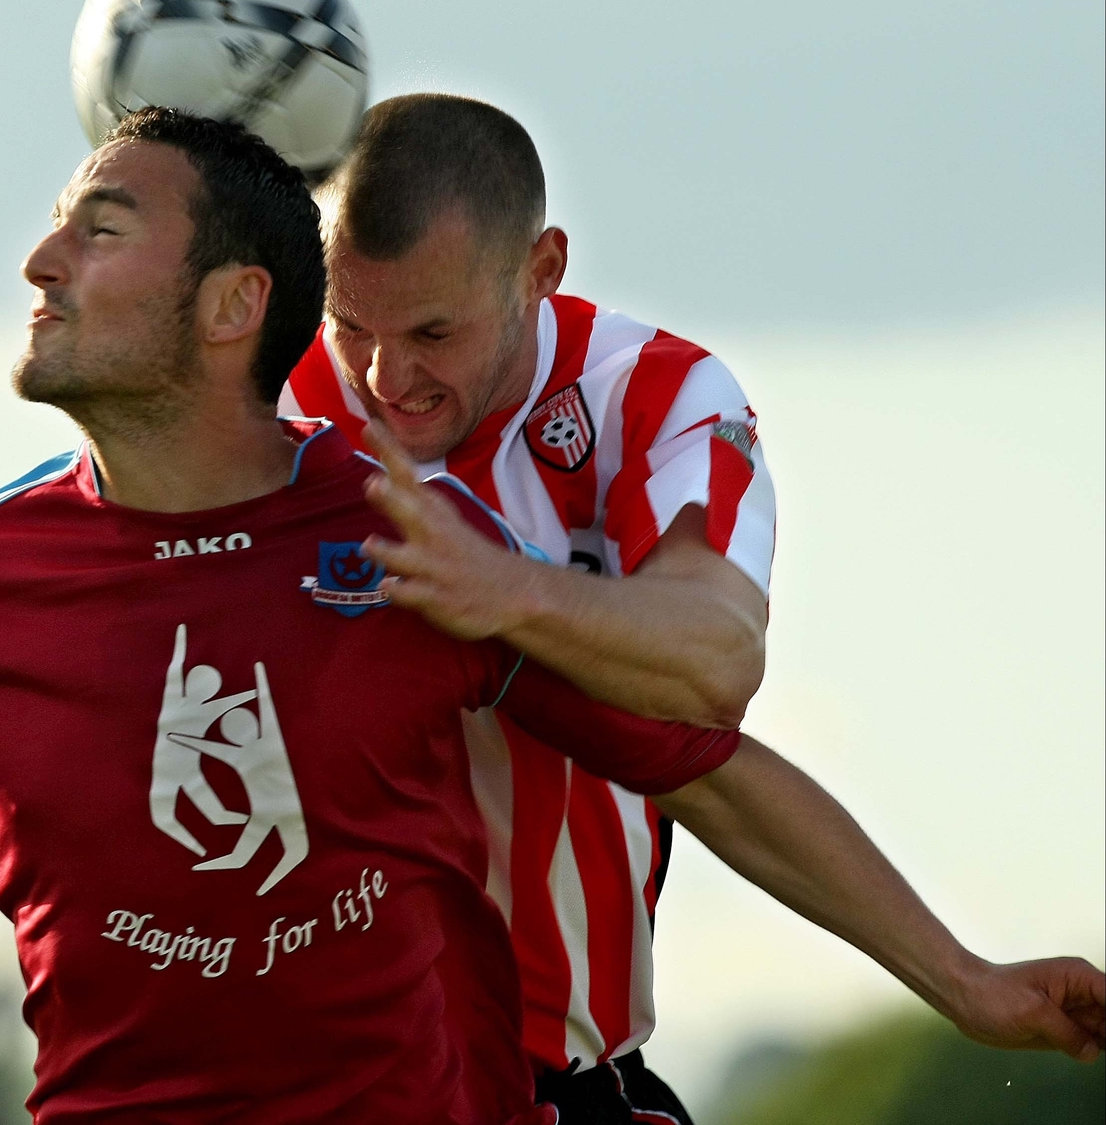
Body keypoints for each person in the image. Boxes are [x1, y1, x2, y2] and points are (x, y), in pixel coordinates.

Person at [0, 109, 745, 1125]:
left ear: (235, 304)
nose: (39, 262)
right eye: (61, 227)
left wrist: (513, 591)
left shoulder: (410, 532)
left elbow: (711, 764)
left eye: (101, 230)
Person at [284, 93, 1106, 1119]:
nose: (384, 377)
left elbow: (711, 678)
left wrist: (507, 587)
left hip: (554, 1085)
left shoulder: (652, 395)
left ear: (540, 270)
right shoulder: (263, 407)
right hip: (300, 1083)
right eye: (350, 324)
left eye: (432, 333)